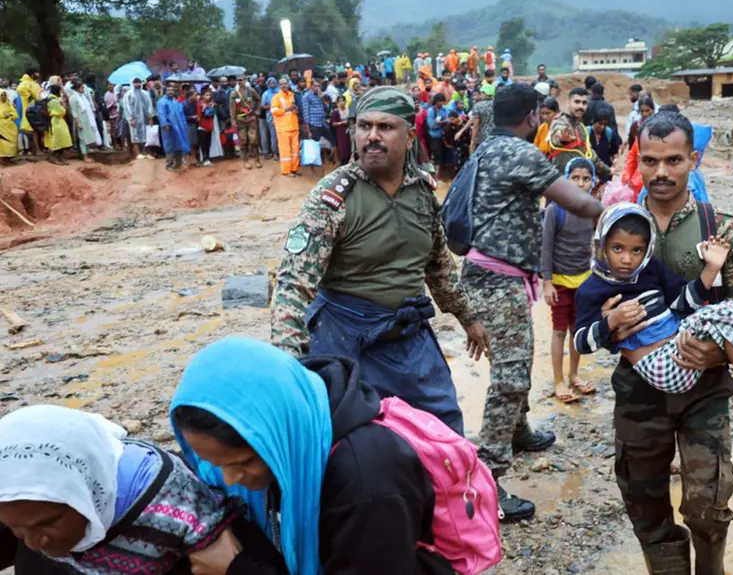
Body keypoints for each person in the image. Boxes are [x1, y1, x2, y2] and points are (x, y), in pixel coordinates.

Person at [584, 111, 733, 573]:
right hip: (640, 389)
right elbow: (587, 310)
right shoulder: (617, 227)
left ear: (694, 159)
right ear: (637, 161)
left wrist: (722, 354)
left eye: (673, 160)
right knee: (643, 503)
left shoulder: (721, 229)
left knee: (708, 502)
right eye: (650, 161)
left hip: (704, 389)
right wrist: (610, 327)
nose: (661, 172)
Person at [271, 87, 490, 436]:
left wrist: (470, 319)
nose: (372, 136)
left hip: (407, 336)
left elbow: (439, 269)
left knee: (442, 428)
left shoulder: (422, 193)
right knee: (350, 442)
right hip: (344, 338)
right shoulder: (331, 200)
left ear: (409, 136)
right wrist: (290, 364)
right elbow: (293, 287)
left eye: (385, 127)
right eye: (363, 126)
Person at [170, 337, 470, 575]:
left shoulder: (368, 482)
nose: (229, 478)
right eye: (213, 463)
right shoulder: (293, 424)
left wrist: (237, 570)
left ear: (279, 433)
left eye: (244, 462)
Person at [461, 82, 605, 522]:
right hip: (498, 281)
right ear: (530, 119)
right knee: (511, 374)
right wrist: (621, 212)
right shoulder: (519, 152)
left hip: (492, 277)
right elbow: (576, 201)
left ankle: (518, 431)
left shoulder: (486, 148)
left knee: (513, 360)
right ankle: (486, 478)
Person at [575, 202, 733, 418]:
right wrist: (611, 322)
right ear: (602, 244)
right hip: (660, 365)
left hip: (682, 351)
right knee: (723, 321)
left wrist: (712, 267)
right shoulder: (591, 290)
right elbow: (581, 343)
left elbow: (684, 302)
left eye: (636, 250)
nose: (627, 259)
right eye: (618, 248)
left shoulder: (650, 270)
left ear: (646, 250)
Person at [0, 405, 243, 575]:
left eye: (48, 522)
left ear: (89, 492)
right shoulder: (20, 502)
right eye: (18, 529)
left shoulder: (175, 513)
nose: (33, 542)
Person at [541, 157, 599, 403]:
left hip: (584, 282)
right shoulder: (555, 210)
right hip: (560, 284)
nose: (580, 182)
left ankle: (574, 374)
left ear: (592, 182)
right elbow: (545, 247)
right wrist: (547, 282)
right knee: (558, 331)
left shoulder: (593, 210)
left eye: (586, 178)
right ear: (566, 180)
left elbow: (600, 244)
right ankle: (558, 380)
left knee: (577, 330)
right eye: (574, 178)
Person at [548, 87, 606, 176]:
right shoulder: (561, 121)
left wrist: (608, 171)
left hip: (578, 182)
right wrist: (562, 138)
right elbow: (557, 133)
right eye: (577, 102)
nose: (580, 106)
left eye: (584, 103)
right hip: (561, 182)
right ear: (568, 103)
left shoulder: (581, 127)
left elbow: (590, 155)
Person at [230, 74, 263, 169]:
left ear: (245, 80)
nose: (240, 82)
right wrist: (233, 121)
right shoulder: (234, 93)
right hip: (240, 119)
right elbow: (232, 108)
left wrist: (258, 111)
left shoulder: (250, 90)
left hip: (251, 118)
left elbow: (259, 99)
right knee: (243, 141)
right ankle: (245, 161)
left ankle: (257, 160)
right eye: (238, 80)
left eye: (242, 80)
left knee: (254, 140)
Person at [270, 78, 301, 176]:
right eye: (282, 84)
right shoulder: (276, 97)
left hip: (294, 126)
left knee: (295, 150)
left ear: (288, 84)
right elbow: (274, 111)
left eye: (285, 83)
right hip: (283, 128)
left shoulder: (292, 95)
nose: (284, 85)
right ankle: (286, 171)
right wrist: (287, 109)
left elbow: (294, 110)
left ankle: (294, 168)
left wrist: (296, 110)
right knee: (285, 150)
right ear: (279, 86)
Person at [157, 82, 190, 172]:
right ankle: (169, 164)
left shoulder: (176, 102)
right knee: (169, 144)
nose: (170, 92)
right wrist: (165, 124)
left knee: (179, 144)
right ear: (165, 91)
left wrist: (184, 125)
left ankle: (178, 164)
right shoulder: (162, 102)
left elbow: (182, 115)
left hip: (179, 128)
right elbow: (161, 114)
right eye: (168, 90)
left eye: (172, 90)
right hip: (169, 128)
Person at [69, 80, 100, 158]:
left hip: (87, 120)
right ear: (77, 89)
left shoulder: (83, 97)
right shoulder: (73, 98)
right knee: (82, 138)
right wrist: (78, 122)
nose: (83, 90)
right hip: (81, 120)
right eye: (82, 88)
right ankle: (84, 155)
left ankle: (87, 153)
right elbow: (74, 111)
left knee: (87, 137)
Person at [123, 77, 151, 159]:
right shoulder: (128, 94)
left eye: (139, 82)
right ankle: (138, 153)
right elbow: (127, 107)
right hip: (134, 119)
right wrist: (130, 118)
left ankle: (144, 152)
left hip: (144, 118)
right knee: (135, 135)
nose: (137, 84)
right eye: (135, 82)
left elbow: (149, 106)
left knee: (144, 135)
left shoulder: (145, 93)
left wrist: (150, 117)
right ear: (132, 83)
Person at [44, 84, 72, 165]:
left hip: (55, 120)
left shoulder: (49, 99)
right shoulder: (54, 101)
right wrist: (63, 106)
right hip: (56, 120)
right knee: (57, 139)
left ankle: (60, 156)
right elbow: (61, 112)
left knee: (60, 139)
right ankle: (54, 157)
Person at [426, 92, 451, 180]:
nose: (441, 103)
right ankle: (436, 176)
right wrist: (444, 122)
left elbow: (449, 119)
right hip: (434, 136)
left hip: (443, 136)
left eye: (442, 101)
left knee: (443, 154)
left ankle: (441, 174)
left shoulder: (445, 109)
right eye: (439, 101)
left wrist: (441, 122)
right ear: (436, 101)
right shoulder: (430, 111)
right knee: (437, 155)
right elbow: (432, 125)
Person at [17, 68, 42, 154]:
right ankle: (36, 150)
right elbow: (19, 89)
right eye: (36, 73)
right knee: (33, 131)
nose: (37, 75)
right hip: (30, 110)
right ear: (32, 74)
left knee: (36, 130)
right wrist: (29, 95)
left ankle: (36, 149)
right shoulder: (25, 83)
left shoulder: (34, 83)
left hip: (37, 108)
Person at [469, 83, 495, 154]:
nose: (481, 94)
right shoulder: (497, 104)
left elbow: (475, 126)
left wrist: (472, 142)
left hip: (481, 139)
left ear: (485, 93)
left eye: (481, 93)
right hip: (494, 137)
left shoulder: (478, 106)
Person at [330, 95, 352, 165]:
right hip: (341, 131)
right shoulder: (335, 112)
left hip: (349, 130)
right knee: (343, 146)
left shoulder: (348, 109)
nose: (342, 102)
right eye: (340, 101)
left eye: (343, 100)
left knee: (349, 145)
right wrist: (342, 123)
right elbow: (333, 123)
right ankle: (343, 162)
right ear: (337, 102)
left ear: (345, 102)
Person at [197, 89, 216, 166]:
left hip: (210, 125)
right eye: (206, 95)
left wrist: (212, 107)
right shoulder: (199, 104)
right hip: (202, 126)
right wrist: (203, 110)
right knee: (203, 144)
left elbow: (213, 115)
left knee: (208, 143)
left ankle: (208, 158)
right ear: (202, 96)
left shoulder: (211, 104)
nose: (208, 97)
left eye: (209, 95)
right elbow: (199, 116)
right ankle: (204, 159)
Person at [0, 91, 18, 163]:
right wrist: (4, 116)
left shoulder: (9, 104)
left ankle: (9, 157)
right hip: (1, 126)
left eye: (4, 95)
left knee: (12, 141)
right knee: (3, 142)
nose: (3, 97)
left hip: (10, 125)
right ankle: (3, 158)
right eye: (2, 95)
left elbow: (15, 113)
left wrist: (10, 114)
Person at [104, 82, 120, 149]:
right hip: (112, 114)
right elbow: (107, 105)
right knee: (113, 129)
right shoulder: (107, 94)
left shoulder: (117, 92)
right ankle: (114, 144)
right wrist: (113, 103)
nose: (110, 86)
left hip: (119, 113)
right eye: (109, 85)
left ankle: (120, 143)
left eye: (111, 84)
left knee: (119, 129)